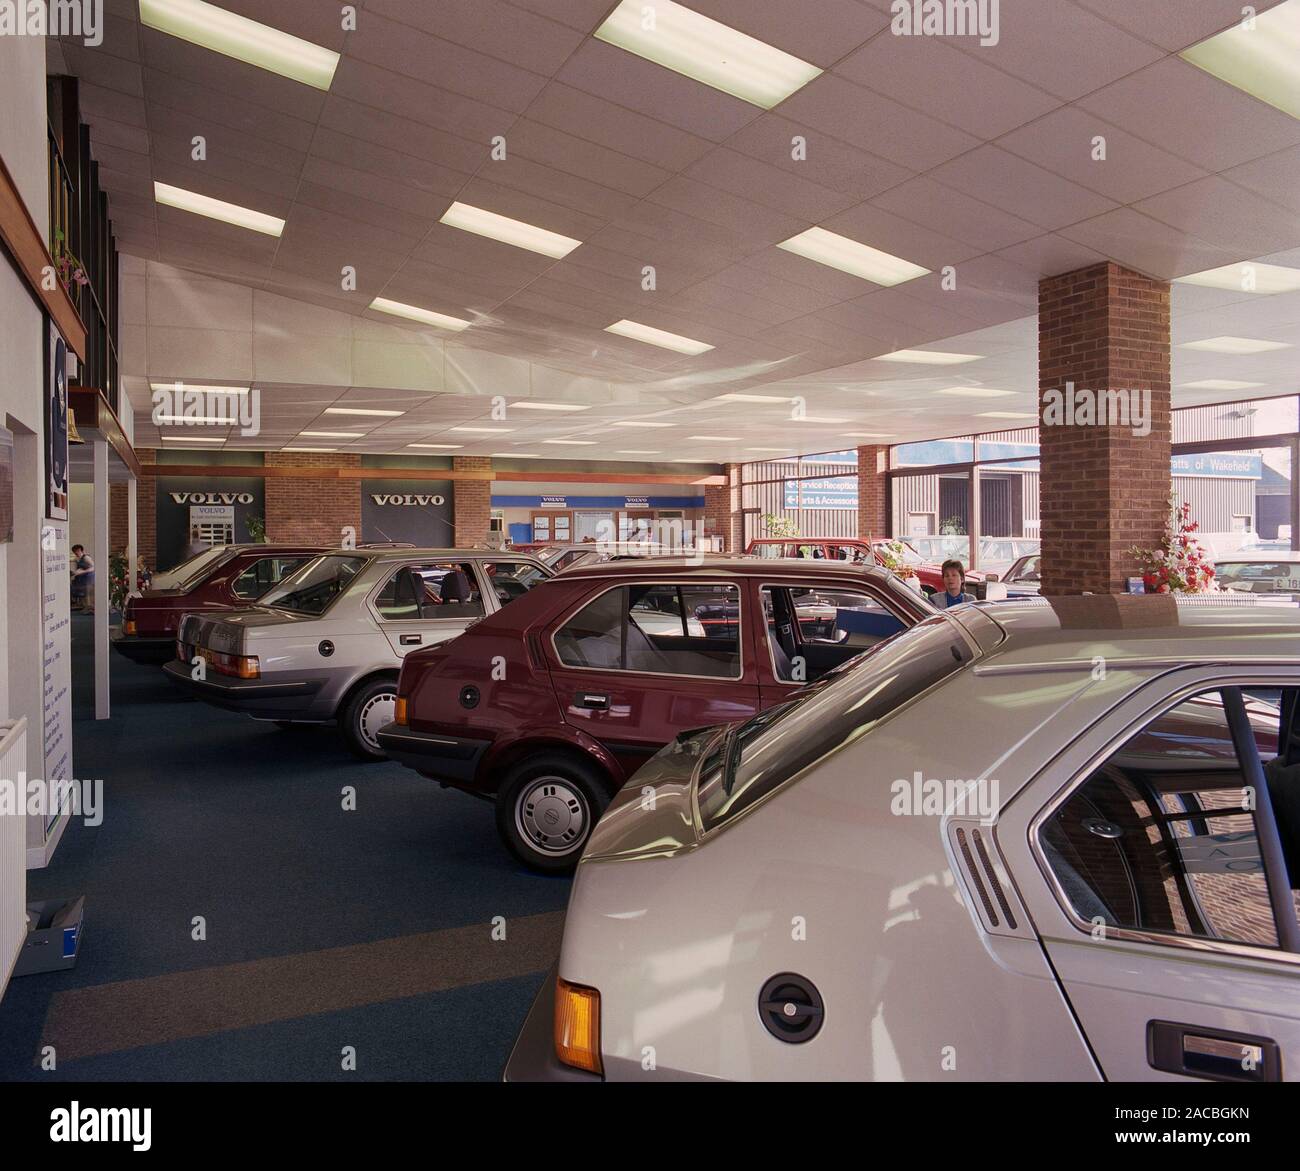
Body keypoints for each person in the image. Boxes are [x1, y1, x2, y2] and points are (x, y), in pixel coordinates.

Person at [70, 544, 94, 612]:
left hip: (88, 576)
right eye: (74, 551)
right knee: (83, 592)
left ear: (80, 550)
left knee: (88, 593)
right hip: (82, 577)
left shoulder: (86, 557)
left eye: (77, 551)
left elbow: (93, 567)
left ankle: (90, 608)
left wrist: (83, 571)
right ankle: (85, 606)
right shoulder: (77, 558)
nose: (76, 553)